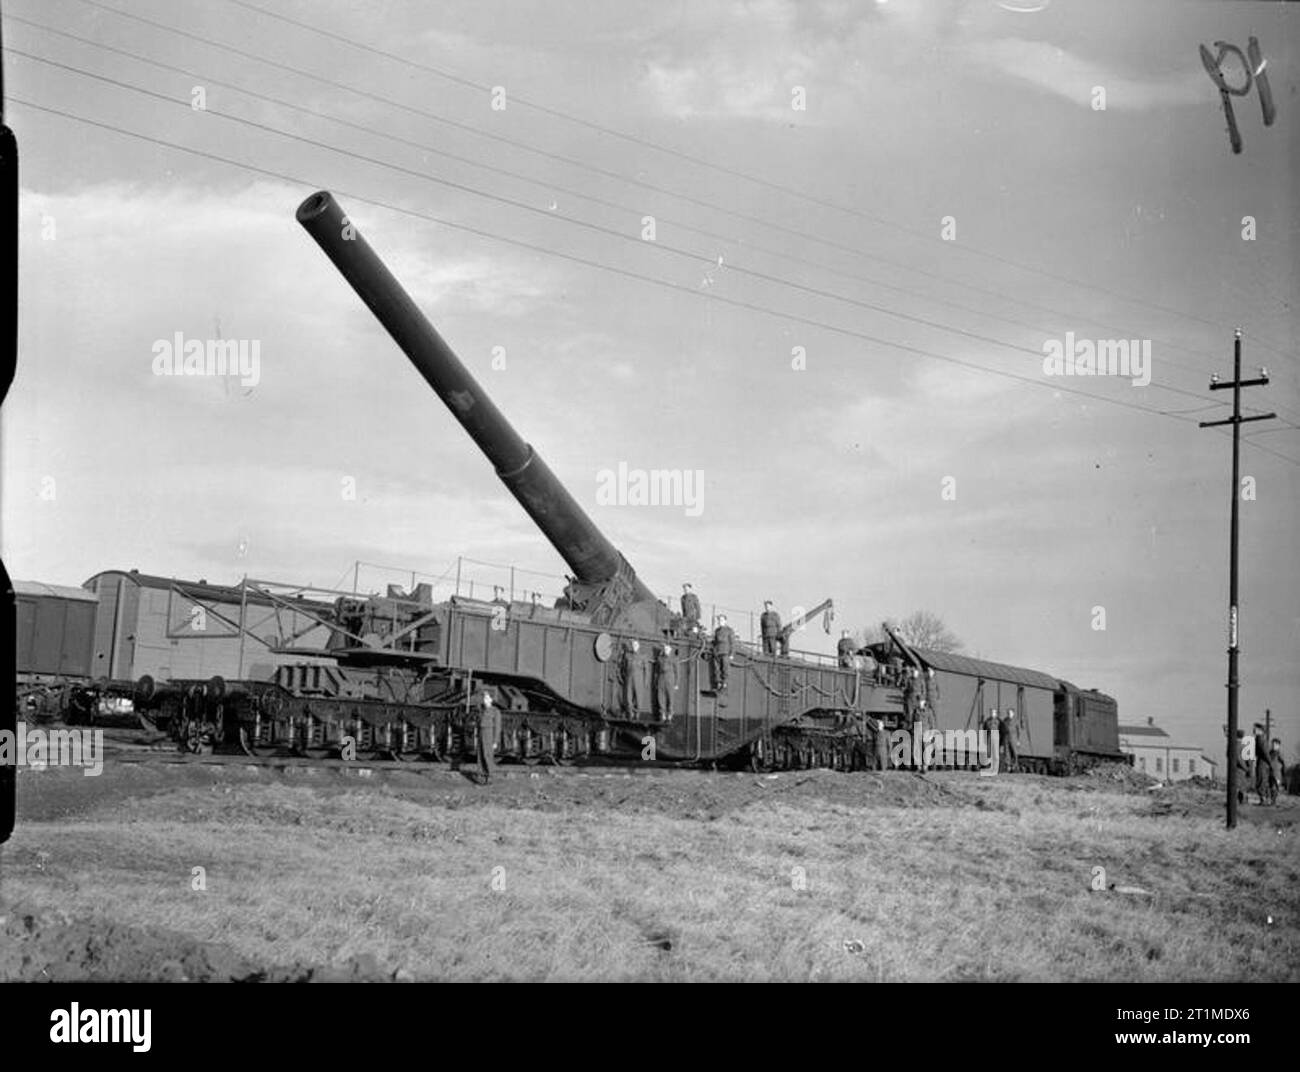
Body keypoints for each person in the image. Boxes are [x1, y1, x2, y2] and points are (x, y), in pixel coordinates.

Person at [476, 691, 501, 784]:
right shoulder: (482, 710)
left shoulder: (495, 711)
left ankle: (490, 776)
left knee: (488, 755)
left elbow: (498, 727)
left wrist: (495, 741)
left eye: (486, 698)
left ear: (491, 700)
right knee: (481, 755)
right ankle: (481, 776)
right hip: (481, 734)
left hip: (489, 734)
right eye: (484, 698)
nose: (484, 700)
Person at [653, 644, 677, 722]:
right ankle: (662, 714)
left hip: (670, 679)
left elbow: (677, 672)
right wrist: (656, 681)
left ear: (670, 650)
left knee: (670, 697)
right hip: (661, 678)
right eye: (665, 648)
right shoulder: (660, 659)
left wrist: (676, 683)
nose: (666, 650)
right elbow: (656, 671)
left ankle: (669, 714)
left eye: (667, 649)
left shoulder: (674, 659)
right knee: (661, 697)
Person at [621, 639, 645, 719]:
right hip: (629, 677)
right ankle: (630, 712)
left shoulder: (643, 656)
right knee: (628, 696)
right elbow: (624, 667)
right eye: (633, 645)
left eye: (635, 645)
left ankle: (637, 713)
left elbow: (646, 670)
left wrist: (645, 682)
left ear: (638, 646)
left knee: (638, 697)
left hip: (638, 679)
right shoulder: (627, 655)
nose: (634, 647)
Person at [711, 615, 735, 692]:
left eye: (721, 620)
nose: (719, 622)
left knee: (725, 669)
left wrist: (731, 654)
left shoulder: (729, 630)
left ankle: (724, 683)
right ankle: (718, 683)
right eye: (719, 620)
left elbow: (732, 643)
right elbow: (715, 641)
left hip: (725, 652)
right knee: (716, 669)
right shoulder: (717, 631)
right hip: (717, 652)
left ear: (725, 621)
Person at [1253, 723, 1269, 803]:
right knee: (1261, 779)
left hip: (1263, 762)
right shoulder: (1258, 739)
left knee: (1262, 779)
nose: (1254, 730)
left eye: (1255, 729)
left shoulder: (1260, 739)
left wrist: (1269, 763)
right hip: (1261, 761)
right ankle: (1263, 798)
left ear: (1260, 731)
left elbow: (1265, 753)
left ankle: (1263, 799)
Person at [1266, 739, 1285, 805]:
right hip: (1270, 772)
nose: (1273, 745)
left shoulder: (1280, 753)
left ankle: (1273, 801)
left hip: (1277, 773)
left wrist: (1283, 772)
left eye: (1275, 744)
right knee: (1271, 786)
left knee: (1275, 787)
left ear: (1278, 745)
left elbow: (1283, 763)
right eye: (1273, 744)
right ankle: (1271, 800)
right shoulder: (1270, 752)